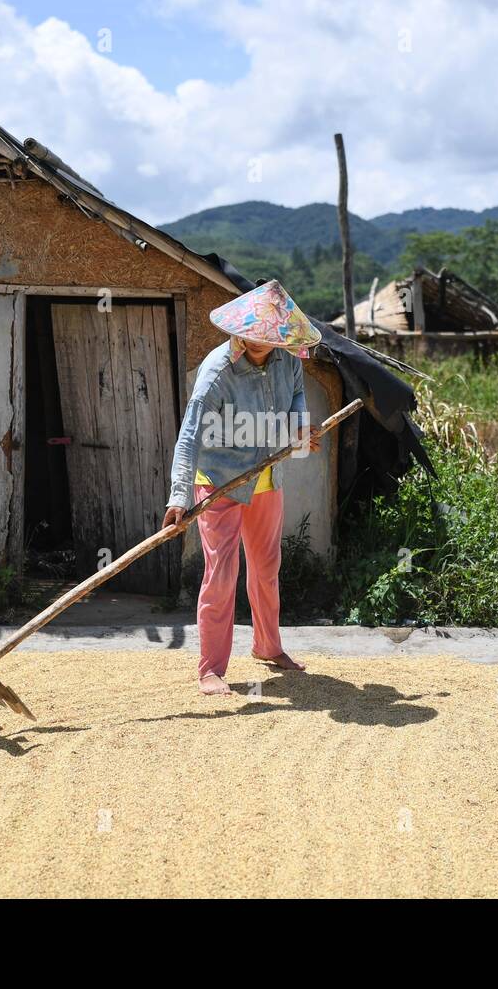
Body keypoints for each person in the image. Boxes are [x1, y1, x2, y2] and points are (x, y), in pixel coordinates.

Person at [162, 280, 323, 695]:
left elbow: (297, 400)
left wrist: (301, 431)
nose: (257, 342)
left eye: (266, 337)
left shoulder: (289, 360)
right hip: (220, 482)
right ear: (240, 329)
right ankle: (211, 669)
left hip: (268, 477)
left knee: (267, 567)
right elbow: (189, 437)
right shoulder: (217, 371)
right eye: (252, 335)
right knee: (222, 573)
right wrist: (179, 496)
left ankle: (268, 647)